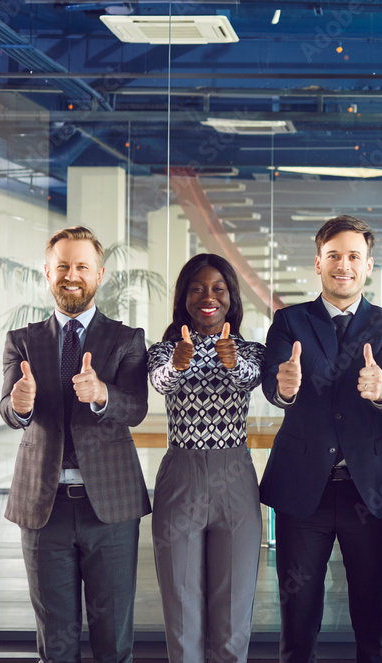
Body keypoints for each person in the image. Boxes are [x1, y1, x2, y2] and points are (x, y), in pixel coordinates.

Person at [260, 215, 382, 663]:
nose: (343, 265)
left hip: (370, 490)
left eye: (353, 257)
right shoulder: (289, 321)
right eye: (334, 256)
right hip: (303, 490)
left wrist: (380, 389)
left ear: (368, 266)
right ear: (318, 263)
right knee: (298, 623)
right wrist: (285, 386)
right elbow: (273, 381)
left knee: (375, 623)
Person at [0, 226, 150, 663]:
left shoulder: (127, 339)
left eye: (82, 266)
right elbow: (8, 410)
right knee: (56, 643)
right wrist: (20, 405)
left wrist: (102, 395)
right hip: (42, 509)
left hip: (111, 508)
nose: (71, 275)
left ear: (99, 274)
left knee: (113, 641)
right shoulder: (21, 340)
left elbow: (136, 408)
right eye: (62, 266)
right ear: (48, 272)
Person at [147, 253, 265, 663]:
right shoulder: (163, 350)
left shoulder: (251, 351)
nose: (208, 297)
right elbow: (161, 381)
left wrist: (231, 361)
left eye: (219, 288)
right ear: (184, 297)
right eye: (197, 288)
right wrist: (178, 363)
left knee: (234, 609)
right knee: (181, 608)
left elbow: (251, 377)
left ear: (232, 297)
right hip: (181, 476)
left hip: (235, 476)